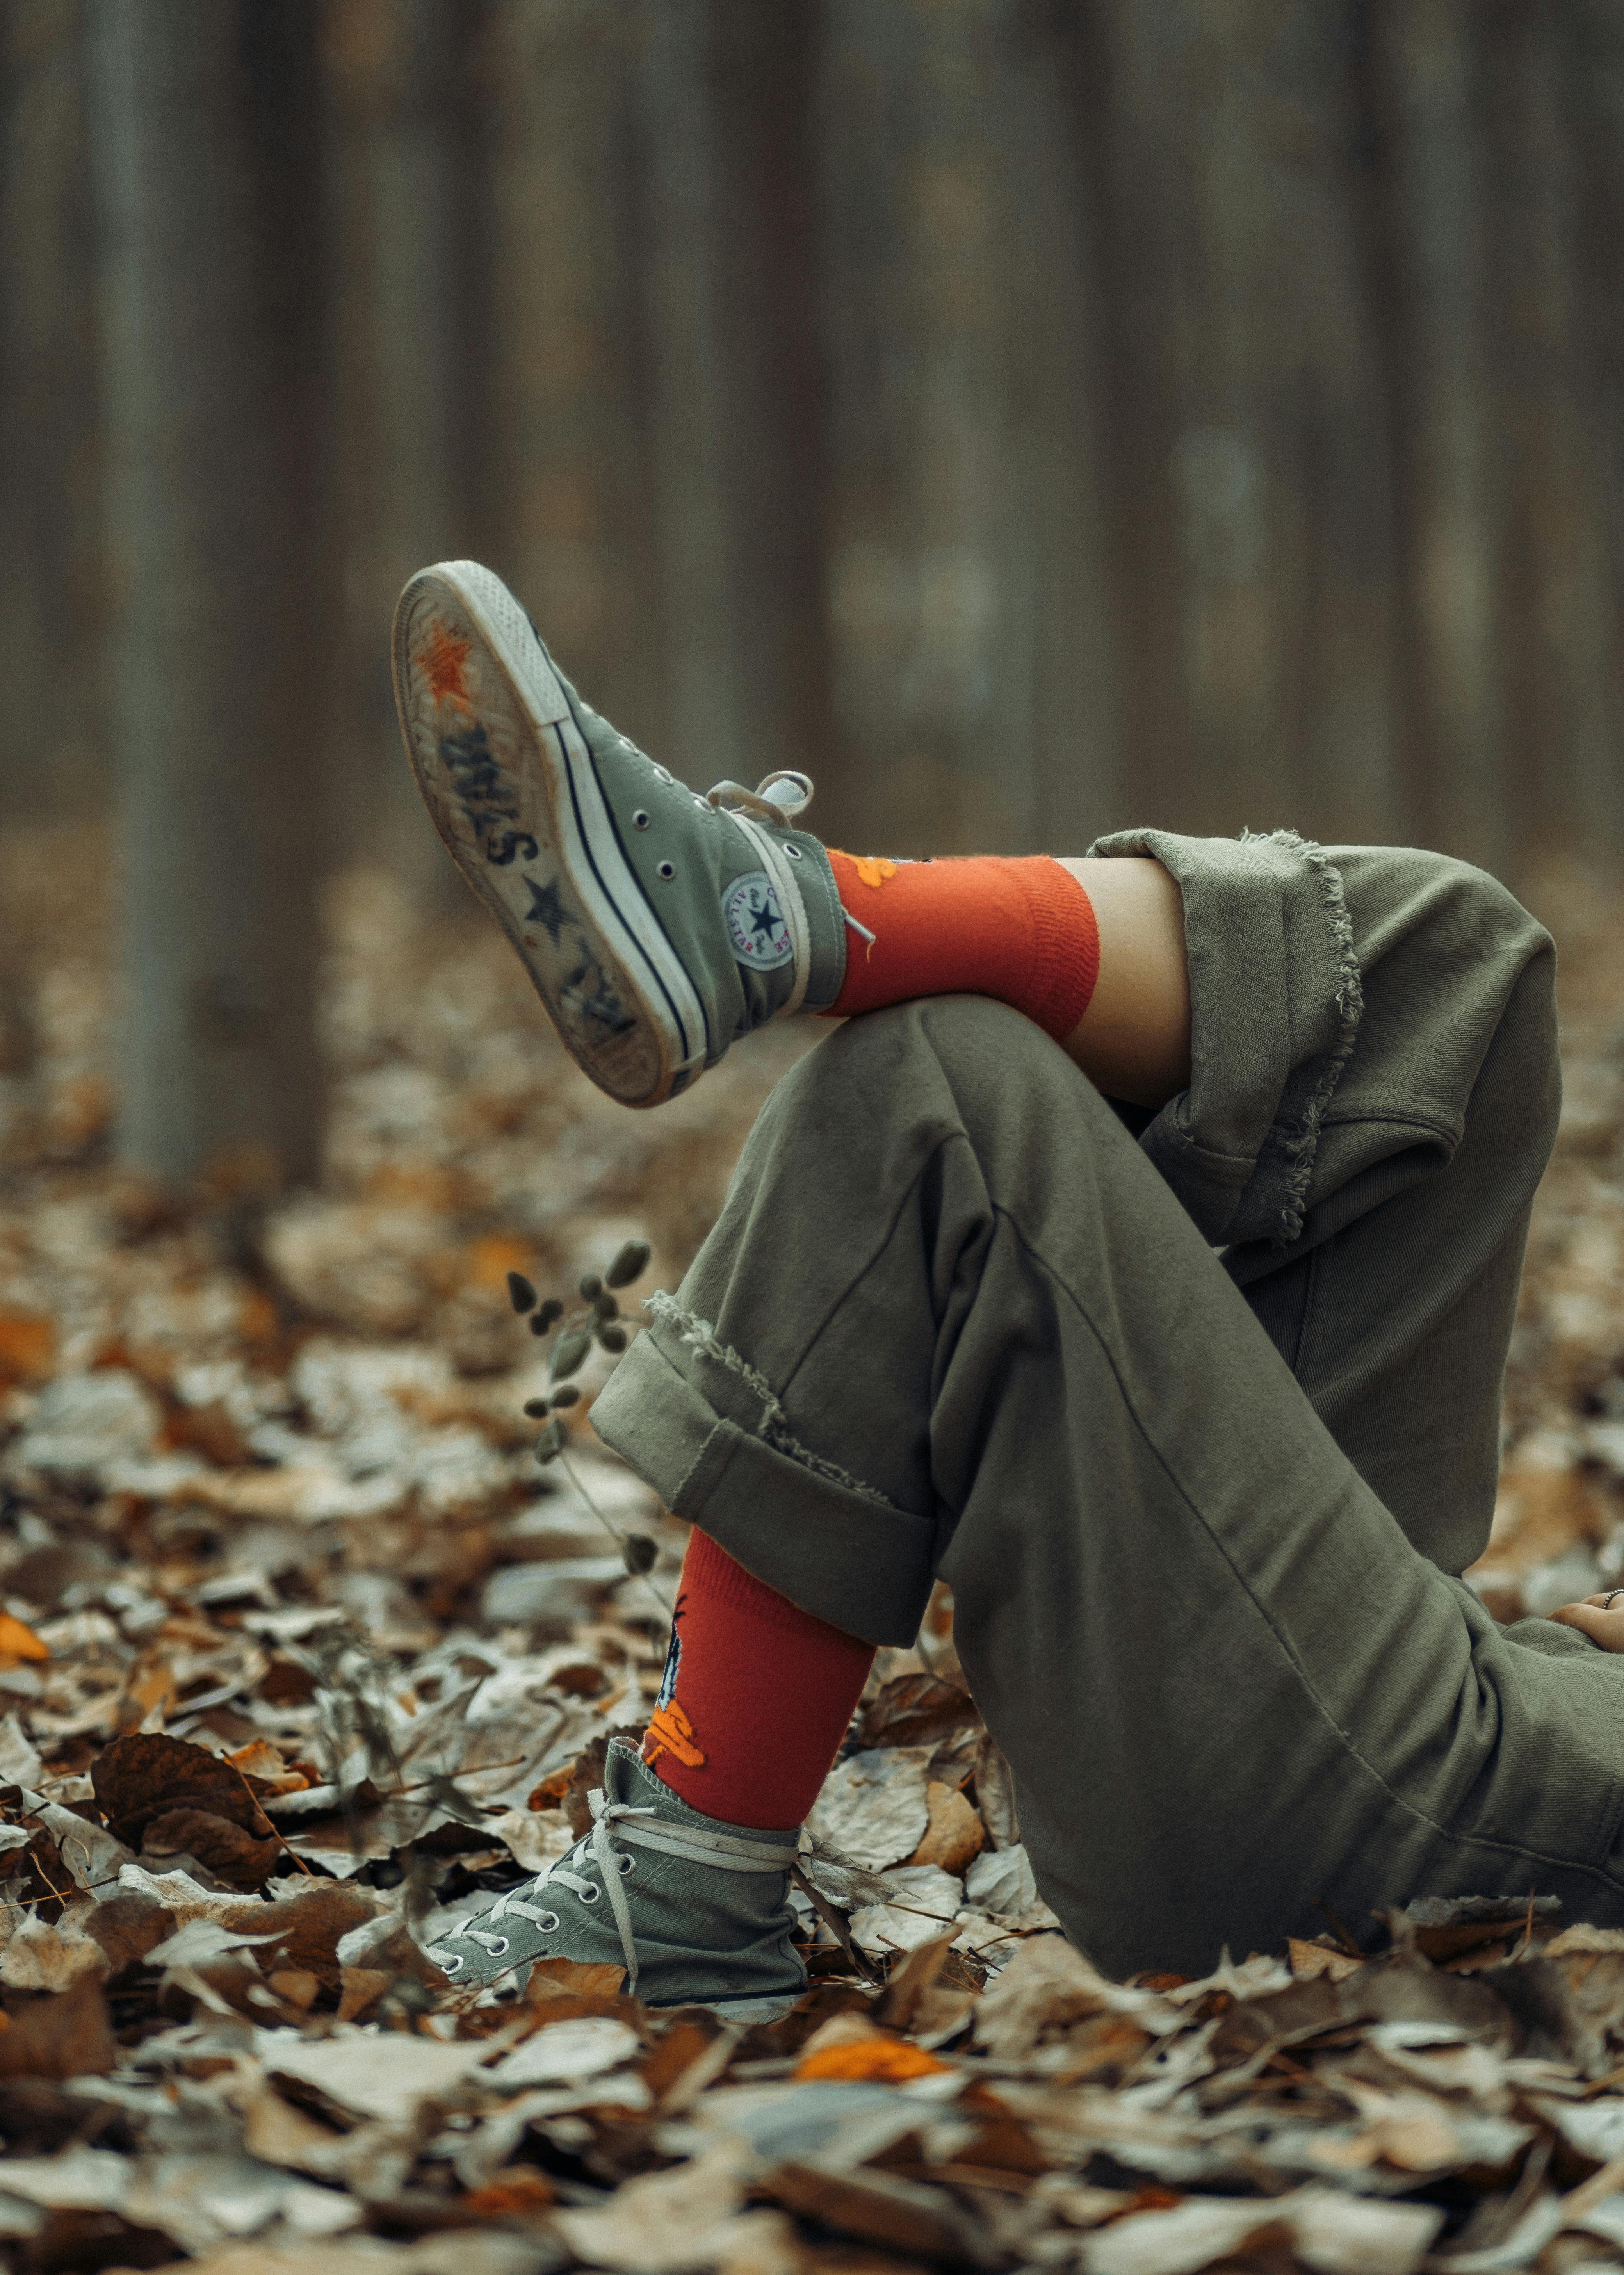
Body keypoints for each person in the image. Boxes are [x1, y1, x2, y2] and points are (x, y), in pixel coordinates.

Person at [391, 558, 1624, 2021]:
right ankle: (781, 915)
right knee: (1462, 968)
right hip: (1485, 1715)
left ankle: (683, 1891)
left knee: (937, 1101)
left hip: (1445, 1814)